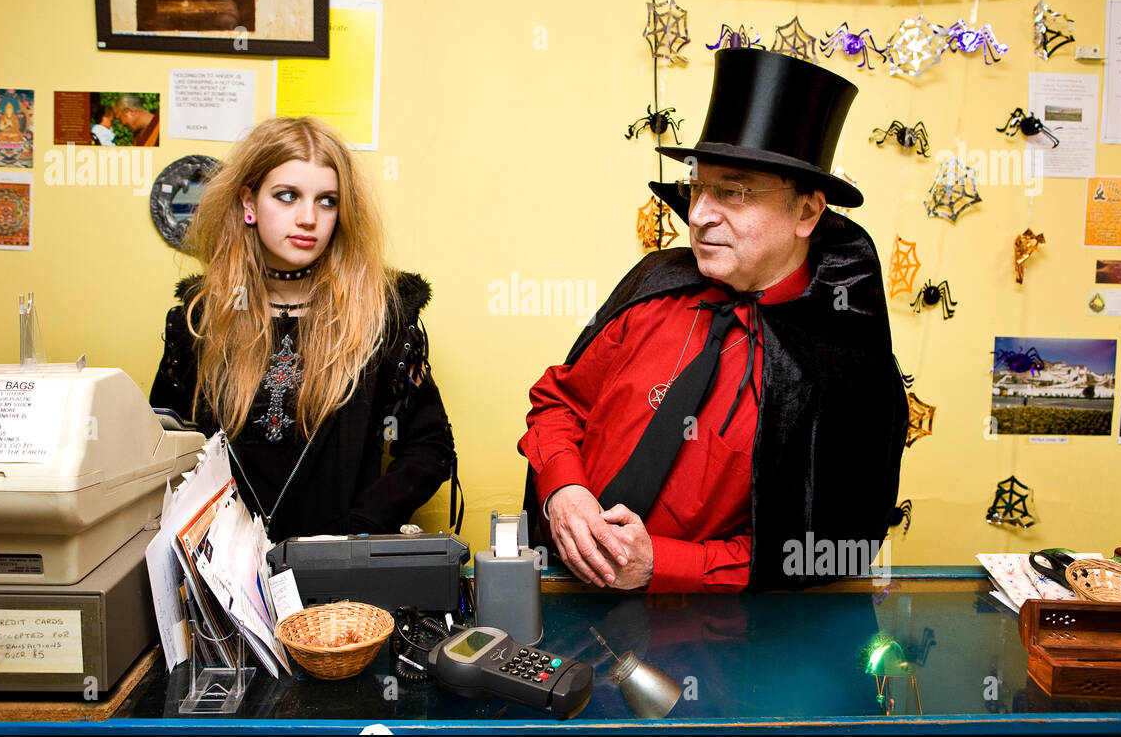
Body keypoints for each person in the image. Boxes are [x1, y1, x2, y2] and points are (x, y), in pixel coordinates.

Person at [519, 48, 908, 594]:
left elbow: (826, 548)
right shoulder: (655, 286)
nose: (699, 214)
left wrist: (663, 564)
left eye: (733, 191)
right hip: (564, 599)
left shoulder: (846, 366)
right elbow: (560, 404)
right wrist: (563, 489)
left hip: (716, 642)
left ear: (807, 212)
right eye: (698, 187)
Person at [150, 116, 456, 541]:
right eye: (287, 196)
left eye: (327, 201)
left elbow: (429, 449)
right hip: (220, 580)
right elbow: (164, 451)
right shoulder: (201, 320)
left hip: (337, 587)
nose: (309, 218)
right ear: (249, 203)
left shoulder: (380, 318)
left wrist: (357, 530)